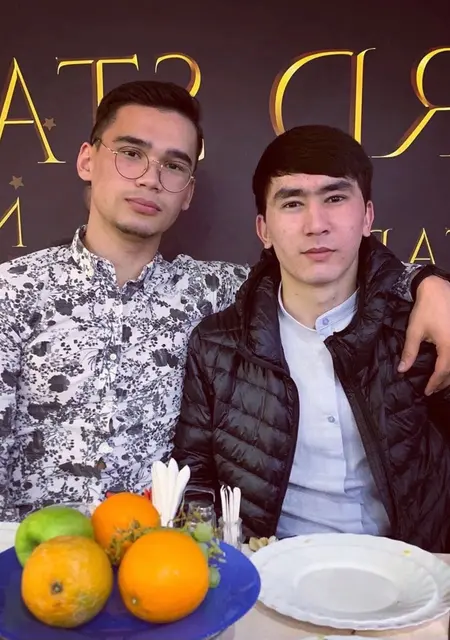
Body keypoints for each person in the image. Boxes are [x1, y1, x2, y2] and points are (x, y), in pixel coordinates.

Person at [0, 82, 449, 521]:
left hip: (159, 557)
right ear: (87, 159)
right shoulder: (14, 291)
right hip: (29, 554)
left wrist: (425, 283)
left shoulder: (217, 292)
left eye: (174, 165)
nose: (151, 178)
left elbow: (322, 270)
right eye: (131, 153)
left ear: (188, 191)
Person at [172, 124, 450, 552]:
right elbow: (196, 476)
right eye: (292, 203)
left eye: (334, 199)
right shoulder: (216, 346)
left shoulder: (423, 326)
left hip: (409, 569)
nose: (316, 224)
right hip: (271, 570)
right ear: (264, 229)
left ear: (367, 217)